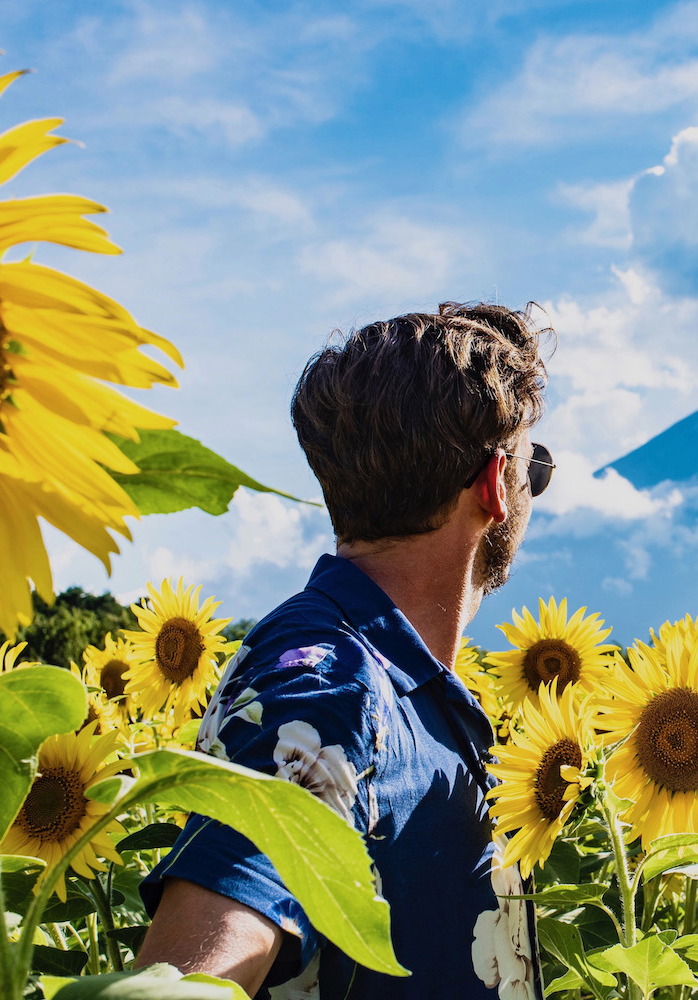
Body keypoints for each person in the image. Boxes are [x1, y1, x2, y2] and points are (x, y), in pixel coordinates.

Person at [137, 303, 554, 999]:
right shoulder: (332, 685)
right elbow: (193, 974)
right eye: (531, 469)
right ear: (492, 487)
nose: (533, 487)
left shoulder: (393, 679)